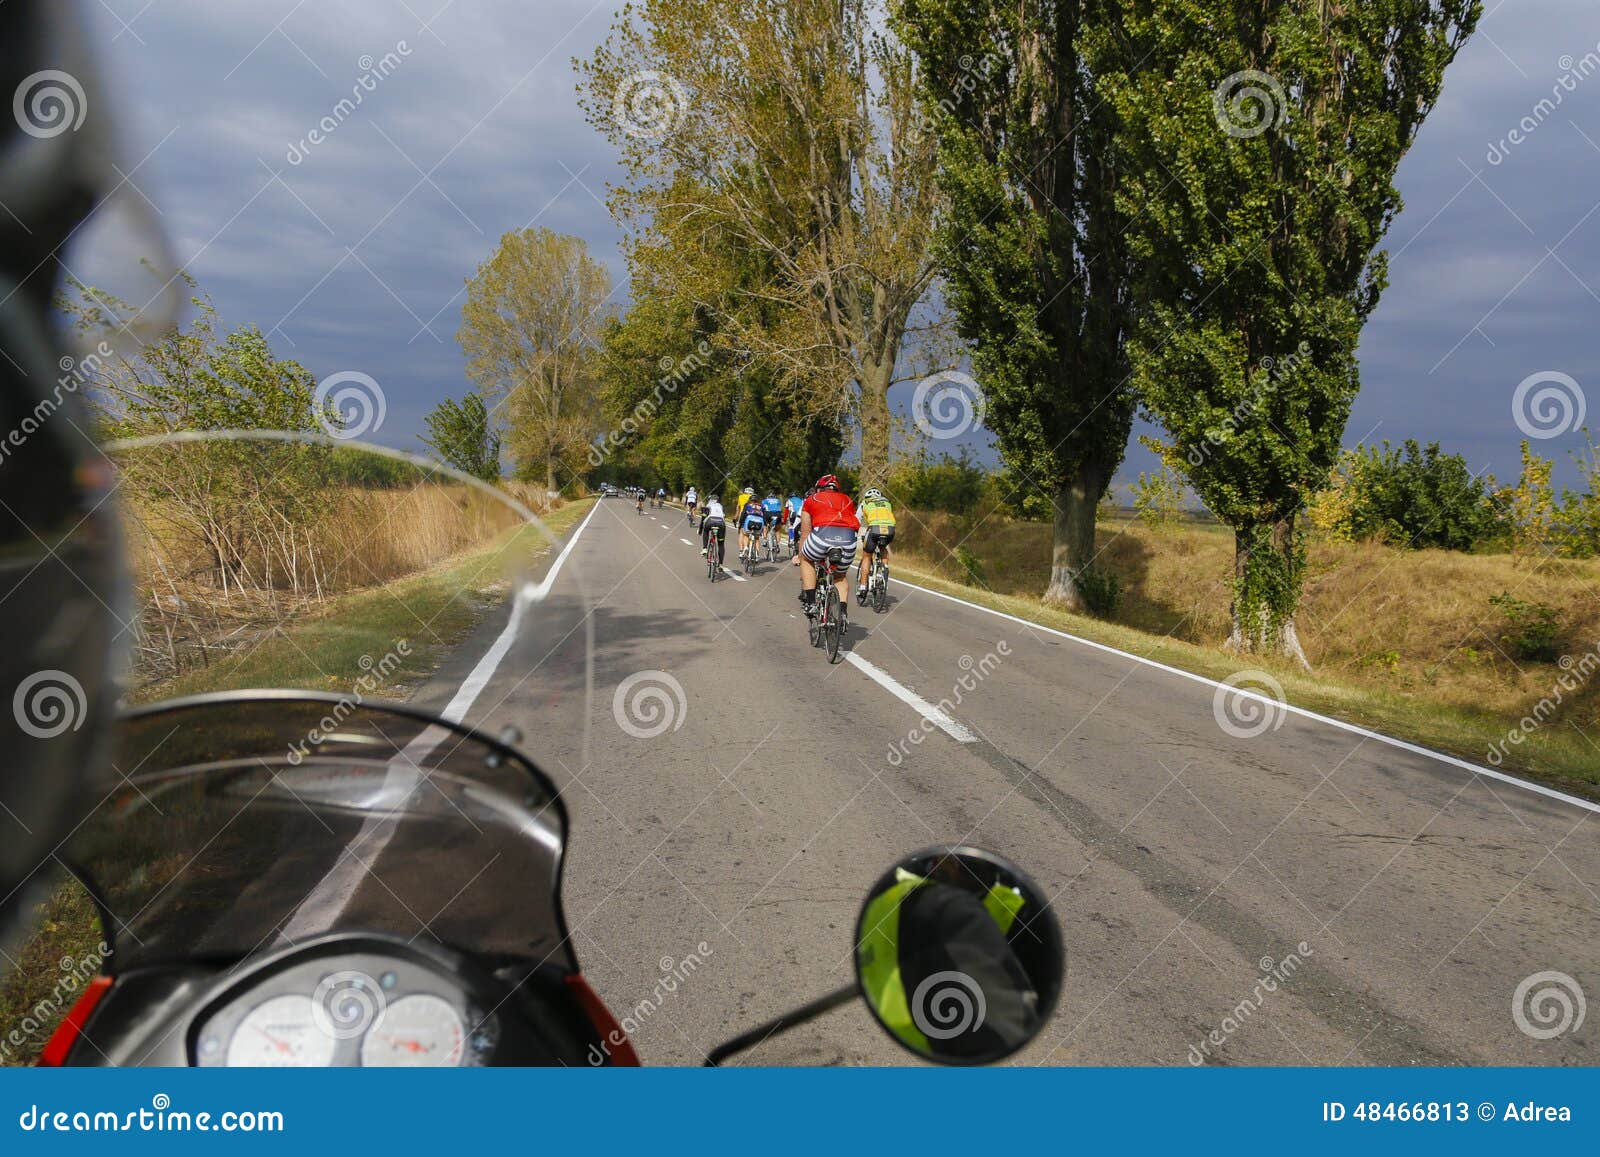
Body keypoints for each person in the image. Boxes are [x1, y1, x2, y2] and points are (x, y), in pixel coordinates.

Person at [792, 474, 859, 622]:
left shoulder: (811, 499)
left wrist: (799, 554)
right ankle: (842, 614)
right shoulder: (848, 499)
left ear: (819, 489)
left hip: (822, 537)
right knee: (840, 576)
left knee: (806, 559)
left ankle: (810, 603)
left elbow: (805, 533)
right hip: (848, 540)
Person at [856, 486, 897, 600]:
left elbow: (856, 520)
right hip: (890, 529)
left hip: (874, 528)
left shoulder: (865, 502)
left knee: (867, 556)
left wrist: (854, 534)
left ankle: (863, 587)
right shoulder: (887, 502)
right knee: (883, 547)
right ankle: (884, 568)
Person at [738, 494, 768, 562]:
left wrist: (740, 524)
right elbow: (764, 517)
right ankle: (757, 555)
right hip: (760, 522)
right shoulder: (762, 506)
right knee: (757, 538)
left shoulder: (747, 505)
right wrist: (765, 525)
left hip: (750, 521)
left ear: (750, 500)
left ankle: (745, 547)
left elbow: (743, 515)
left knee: (746, 535)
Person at [699, 494, 727, 566]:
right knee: (721, 543)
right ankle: (720, 564)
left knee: (706, 531)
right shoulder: (721, 506)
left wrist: (700, 530)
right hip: (721, 523)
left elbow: (703, 518)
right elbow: (724, 516)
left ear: (709, 500)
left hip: (710, 521)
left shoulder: (708, 505)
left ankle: (705, 548)